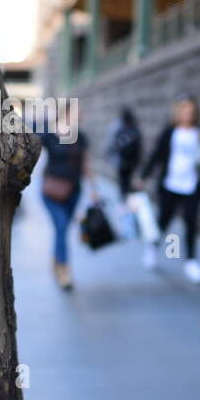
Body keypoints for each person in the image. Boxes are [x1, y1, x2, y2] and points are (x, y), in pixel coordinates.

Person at [138, 94, 200, 283]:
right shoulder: (170, 131)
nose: (188, 114)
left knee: (191, 223)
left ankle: (191, 261)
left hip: (192, 186)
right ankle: (153, 249)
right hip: (170, 185)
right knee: (163, 221)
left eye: (191, 110)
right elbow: (157, 154)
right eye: (184, 110)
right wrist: (143, 176)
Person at [36, 102, 96, 291]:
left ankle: (56, 260)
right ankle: (64, 271)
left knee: (62, 230)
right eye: (77, 111)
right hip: (51, 191)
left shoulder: (81, 137)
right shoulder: (50, 135)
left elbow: (85, 164)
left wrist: (94, 189)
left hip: (73, 191)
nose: (80, 115)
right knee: (61, 227)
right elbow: (32, 152)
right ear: (67, 112)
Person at [105, 107, 143, 199]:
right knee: (126, 181)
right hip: (128, 161)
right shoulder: (133, 128)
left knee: (124, 181)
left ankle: (125, 198)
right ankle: (126, 197)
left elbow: (112, 144)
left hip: (124, 161)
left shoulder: (121, 128)